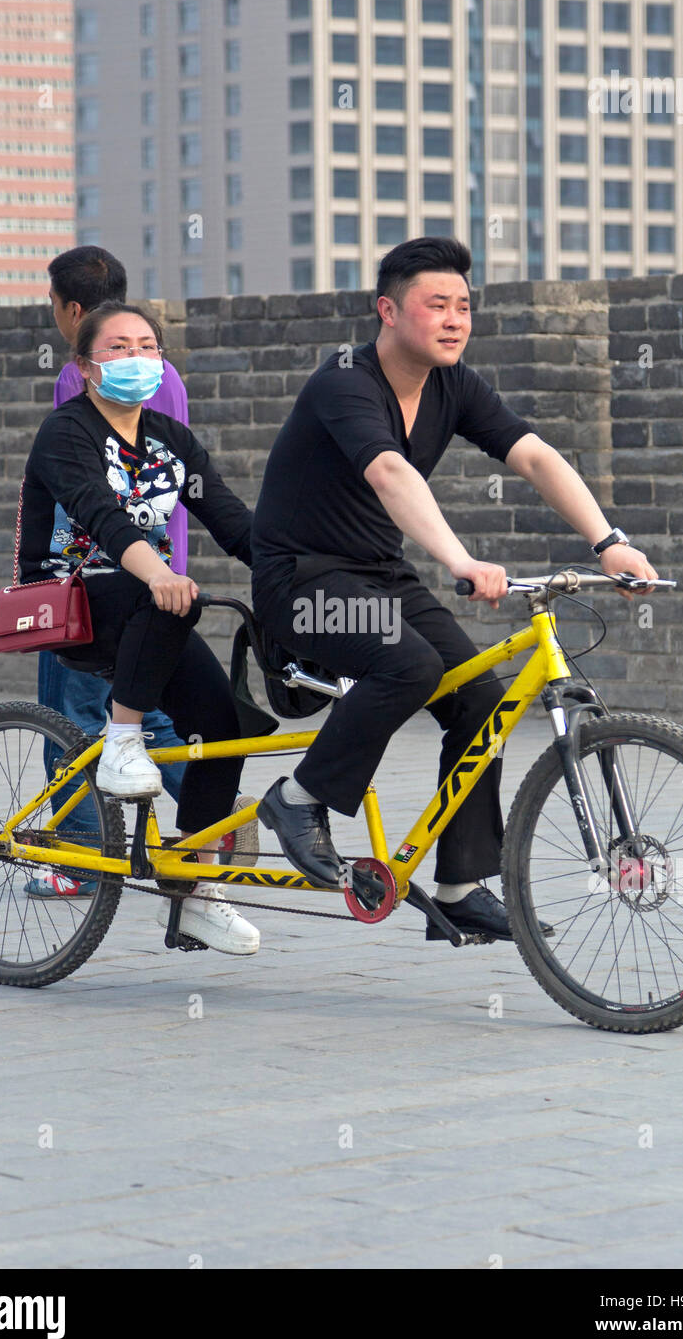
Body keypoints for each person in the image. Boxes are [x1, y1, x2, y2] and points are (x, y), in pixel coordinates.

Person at [252, 236, 659, 944]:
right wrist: (462, 559)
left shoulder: (454, 384)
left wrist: (608, 541)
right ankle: (297, 798)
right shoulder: (344, 379)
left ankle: (461, 885)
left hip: (380, 576)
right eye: (435, 304)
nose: (454, 320)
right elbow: (389, 473)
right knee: (409, 666)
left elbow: (532, 454)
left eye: (464, 307)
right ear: (387, 309)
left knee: (478, 699)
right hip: (302, 580)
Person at [20, 300, 261, 956]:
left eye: (148, 346)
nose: (137, 358)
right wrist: (158, 573)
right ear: (86, 366)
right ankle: (122, 736)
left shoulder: (170, 440)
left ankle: (196, 894)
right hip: (71, 597)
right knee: (161, 586)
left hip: (147, 601)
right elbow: (102, 515)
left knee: (222, 724)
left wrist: (305, 570)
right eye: (120, 347)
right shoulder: (66, 432)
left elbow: (235, 525)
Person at [29, 245, 190, 899]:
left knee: (69, 717)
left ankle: (78, 862)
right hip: (162, 566)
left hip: (92, 575)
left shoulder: (87, 375)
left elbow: (86, 496)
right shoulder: (165, 372)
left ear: (71, 311)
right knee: (147, 710)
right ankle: (225, 810)